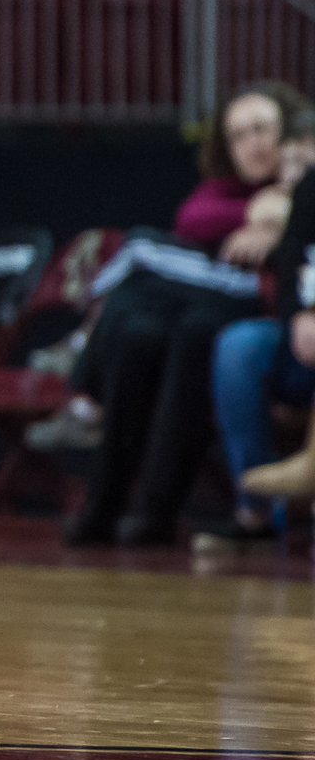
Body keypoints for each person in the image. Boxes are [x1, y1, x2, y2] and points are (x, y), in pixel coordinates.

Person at [64, 82, 310, 547]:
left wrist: (284, 219)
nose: (251, 144)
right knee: (140, 333)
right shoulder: (230, 190)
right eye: (237, 136)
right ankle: (105, 505)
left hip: (257, 311)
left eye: (261, 129)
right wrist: (256, 216)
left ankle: (84, 380)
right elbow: (193, 220)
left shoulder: (304, 183)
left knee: (151, 272)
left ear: (289, 131)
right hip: (202, 304)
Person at [207, 111, 315, 539]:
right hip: (303, 343)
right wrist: (300, 316)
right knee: (240, 345)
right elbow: (292, 263)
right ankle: (256, 508)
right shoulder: (310, 188)